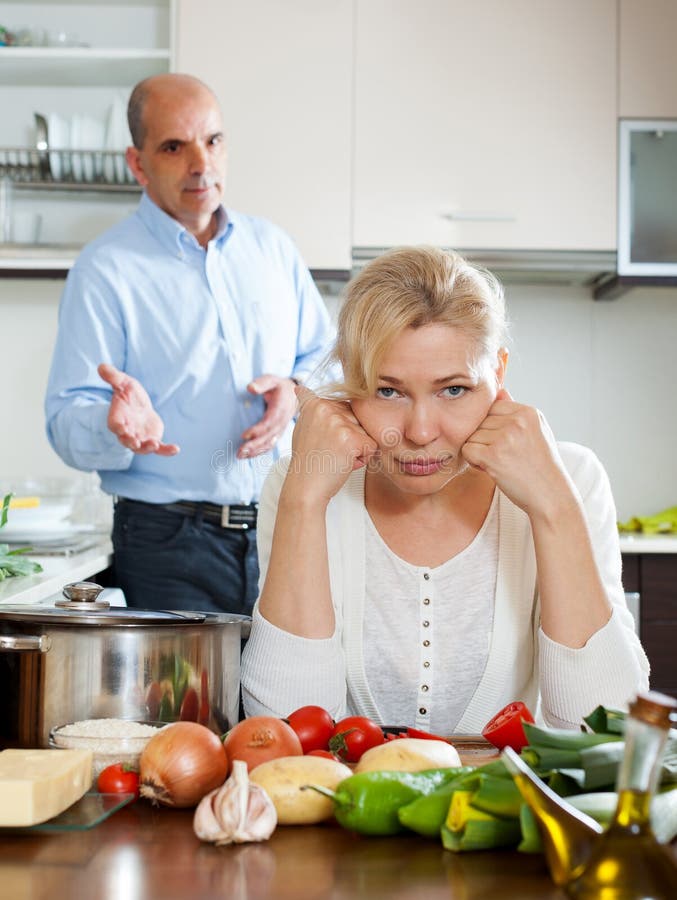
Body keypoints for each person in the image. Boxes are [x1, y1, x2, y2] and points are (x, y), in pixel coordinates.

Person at [241, 246, 650, 732]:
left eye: (453, 389)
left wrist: (554, 507)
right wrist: (304, 501)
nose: (419, 431)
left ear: (496, 373)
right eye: (387, 391)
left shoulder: (574, 478)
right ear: (352, 382)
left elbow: (605, 730)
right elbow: (283, 733)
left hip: (517, 808)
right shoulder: (303, 482)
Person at [44, 73, 335, 615]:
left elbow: (327, 360)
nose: (201, 164)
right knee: (184, 703)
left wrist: (297, 392)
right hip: (167, 541)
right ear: (138, 163)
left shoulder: (274, 249)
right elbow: (65, 419)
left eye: (213, 141)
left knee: (287, 699)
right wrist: (115, 426)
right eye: (174, 147)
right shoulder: (105, 270)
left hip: (283, 523)